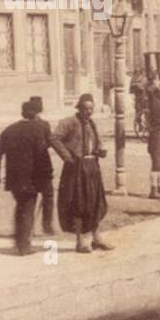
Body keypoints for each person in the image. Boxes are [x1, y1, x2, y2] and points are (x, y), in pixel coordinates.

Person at [0, 101, 54, 255]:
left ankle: (21, 241)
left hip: (14, 178)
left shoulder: (9, 130)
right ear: (37, 114)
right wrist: (47, 175)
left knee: (21, 207)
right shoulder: (38, 129)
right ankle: (25, 245)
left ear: (23, 113)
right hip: (32, 178)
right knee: (28, 208)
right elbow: (41, 155)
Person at [50, 93, 111, 254]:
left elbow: (96, 142)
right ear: (79, 108)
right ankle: (80, 242)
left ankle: (97, 238)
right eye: (86, 109)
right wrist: (67, 157)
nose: (89, 112)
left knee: (95, 202)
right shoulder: (69, 122)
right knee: (78, 203)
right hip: (76, 168)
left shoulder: (92, 123)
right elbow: (54, 138)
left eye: (91, 109)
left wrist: (100, 150)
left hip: (92, 167)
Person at [27, 95, 55, 235]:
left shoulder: (26, 125)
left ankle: (32, 227)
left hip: (32, 166)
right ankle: (46, 226)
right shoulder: (44, 125)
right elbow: (50, 142)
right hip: (42, 165)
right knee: (47, 196)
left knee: (33, 197)